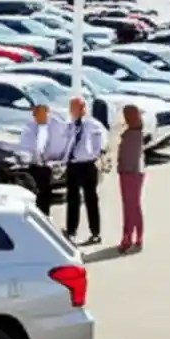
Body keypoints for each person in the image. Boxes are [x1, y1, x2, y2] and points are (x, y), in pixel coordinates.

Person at [58, 97, 108, 245]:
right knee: (72, 198)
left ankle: (95, 232)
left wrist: (95, 154)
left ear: (83, 108)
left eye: (75, 107)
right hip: (73, 165)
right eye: (71, 108)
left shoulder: (93, 125)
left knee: (91, 198)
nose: (72, 111)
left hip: (87, 165)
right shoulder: (69, 125)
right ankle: (71, 230)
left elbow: (101, 143)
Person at [18, 103, 65, 214]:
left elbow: (61, 144)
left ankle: (45, 214)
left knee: (45, 193)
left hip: (50, 165)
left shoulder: (56, 126)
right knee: (36, 192)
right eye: (36, 115)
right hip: (34, 165)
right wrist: (29, 157)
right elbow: (25, 146)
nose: (38, 118)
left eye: (41, 114)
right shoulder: (30, 127)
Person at [117, 104, 147, 253]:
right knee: (133, 206)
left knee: (131, 206)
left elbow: (131, 156)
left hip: (131, 172)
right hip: (130, 172)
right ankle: (136, 236)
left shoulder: (134, 133)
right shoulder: (133, 131)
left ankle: (128, 237)